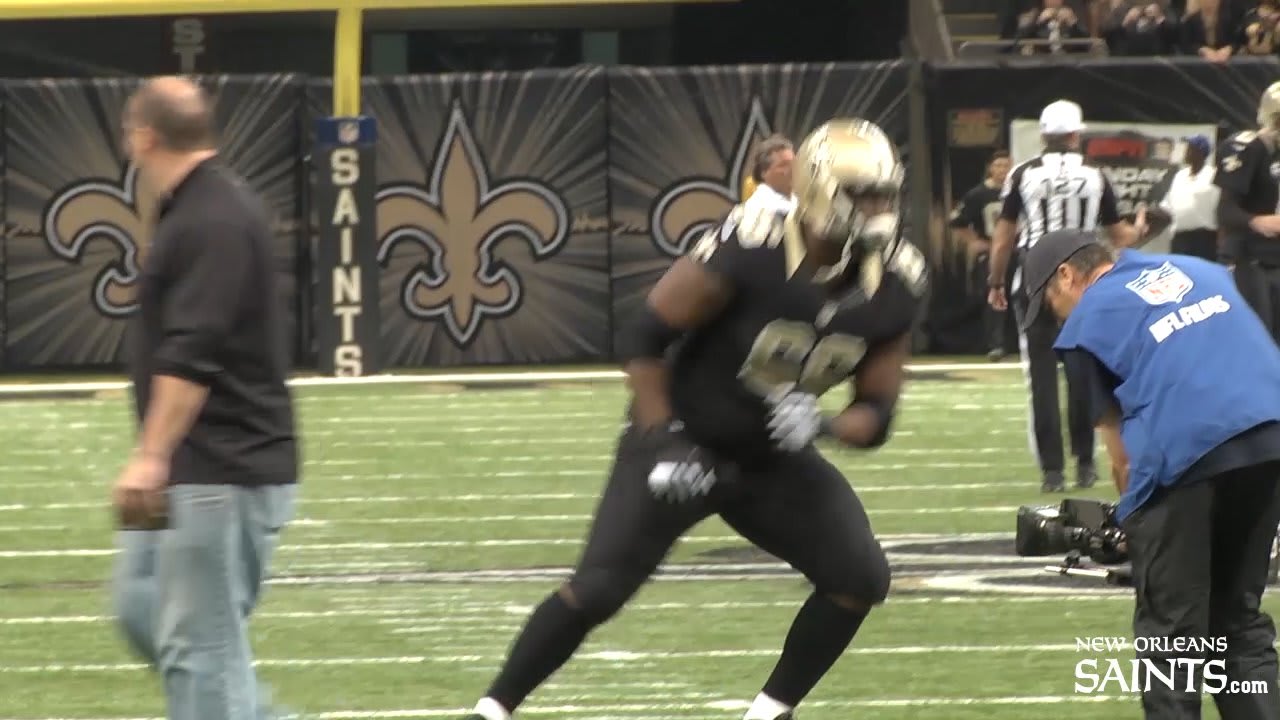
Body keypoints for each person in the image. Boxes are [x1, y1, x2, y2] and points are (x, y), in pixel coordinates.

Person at [462, 118, 928, 720]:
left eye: (884, 196)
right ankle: (492, 710)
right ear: (820, 190)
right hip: (688, 441)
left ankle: (768, 713)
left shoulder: (898, 277)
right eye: (863, 195)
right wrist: (663, 440)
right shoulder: (752, 246)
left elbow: (877, 411)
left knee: (859, 577)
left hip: (771, 458)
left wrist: (824, 426)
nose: (878, 211)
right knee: (599, 589)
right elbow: (644, 337)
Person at [1020, 228, 1280, 720]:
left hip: (1186, 452)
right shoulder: (1201, 270)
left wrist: (1131, 527)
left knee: (1171, 637)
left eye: (1050, 303)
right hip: (1270, 435)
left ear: (1067, 276)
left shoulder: (1084, 325)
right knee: (1238, 624)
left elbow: (1123, 458)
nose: (1056, 318)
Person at [109, 76, 300, 720]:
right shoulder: (194, 209)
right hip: (197, 465)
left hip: (220, 468)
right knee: (140, 604)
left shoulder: (211, 217)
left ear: (144, 136)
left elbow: (195, 349)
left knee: (200, 649)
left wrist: (150, 455)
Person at [987, 98, 1141, 493]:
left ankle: (1052, 472)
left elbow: (1004, 234)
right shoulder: (1095, 174)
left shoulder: (1023, 174)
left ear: (1043, 135)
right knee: (1084, 372)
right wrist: (1141, 229)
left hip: (1036, 277)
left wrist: (996, 280)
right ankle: (1086, 462)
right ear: (1075, 135)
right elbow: (1120, 237)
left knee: (1039, 378)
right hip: (1087, 281)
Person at [1216, 80, 1280, 343]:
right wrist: (1258, 221)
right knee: (1257, 340)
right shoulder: (1250, 148)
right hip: (1251, 259)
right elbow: (1225, 211)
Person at [950, 149, 1014, 360]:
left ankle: (1017, 342)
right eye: (998, 166)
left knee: (1020, 294)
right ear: (990, 168)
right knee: (993, 296)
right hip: (991, 250)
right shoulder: (978, 194)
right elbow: (957, 221)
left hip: (1016, 249)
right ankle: (996, 344)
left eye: (1006, 165)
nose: (1002, 170)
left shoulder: (1017, 191)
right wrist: (974, 241)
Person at [1157, 134, 1219, 261]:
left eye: (1189, 149)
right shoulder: (1180, 176)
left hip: (1204, 239)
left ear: (1200, 152)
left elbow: (1222, 208)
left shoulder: (1213, 176)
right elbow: (1168, 206)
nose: (1186, 152)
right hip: (1179, 238)